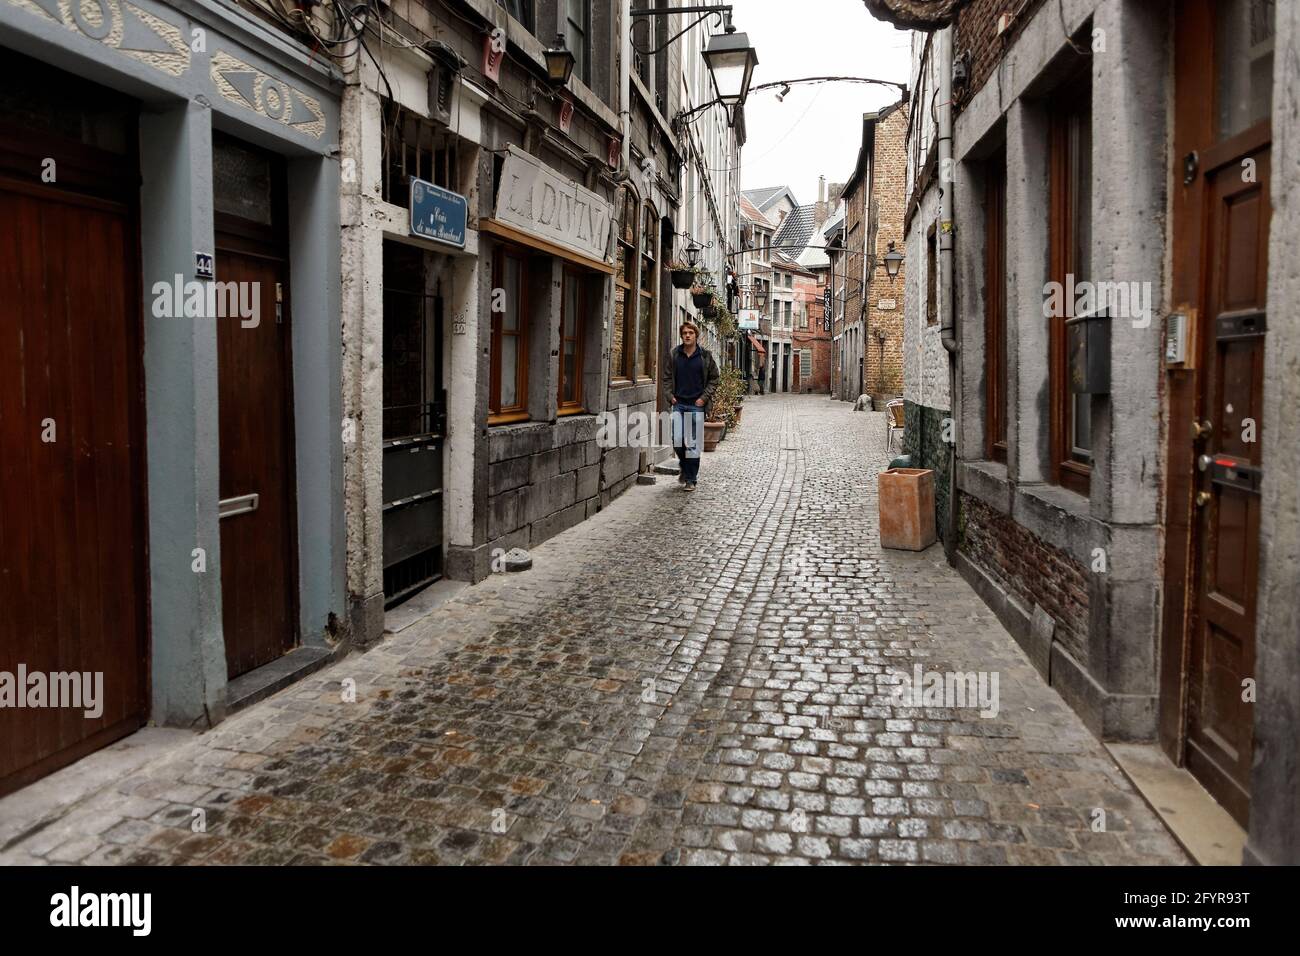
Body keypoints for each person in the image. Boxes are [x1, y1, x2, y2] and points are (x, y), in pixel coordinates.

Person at [661, 322, 720, 491]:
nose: (687, 335)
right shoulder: (675, 355)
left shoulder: (705, 356)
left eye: (690, 333)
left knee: (693, 444)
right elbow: (666, 378)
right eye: (684, 333)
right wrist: (670, 396)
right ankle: (686, 468)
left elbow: (714, 379)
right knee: (677, 441)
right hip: (679, 404)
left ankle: (691, 479)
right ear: (681, 336)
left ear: (696, 335)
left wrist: (704, 398)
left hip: (696, 405)